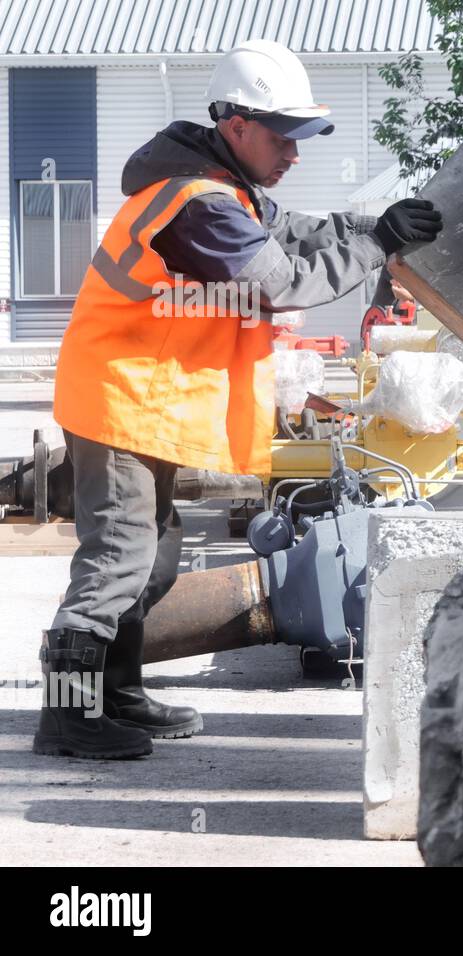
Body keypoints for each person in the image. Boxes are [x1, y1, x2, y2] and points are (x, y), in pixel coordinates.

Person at [35, 38, 442, 759]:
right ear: (237, 126)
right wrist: (377, 244)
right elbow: (284, 281)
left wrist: (376, 223)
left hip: (143, 398)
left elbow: (304, 234)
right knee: (118, 560)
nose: (295, 151)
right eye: (284, 135)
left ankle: (118, 694)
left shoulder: (225, 192)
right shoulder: (201, 207)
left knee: (153, 556)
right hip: (119, 398)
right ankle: (68, 717)